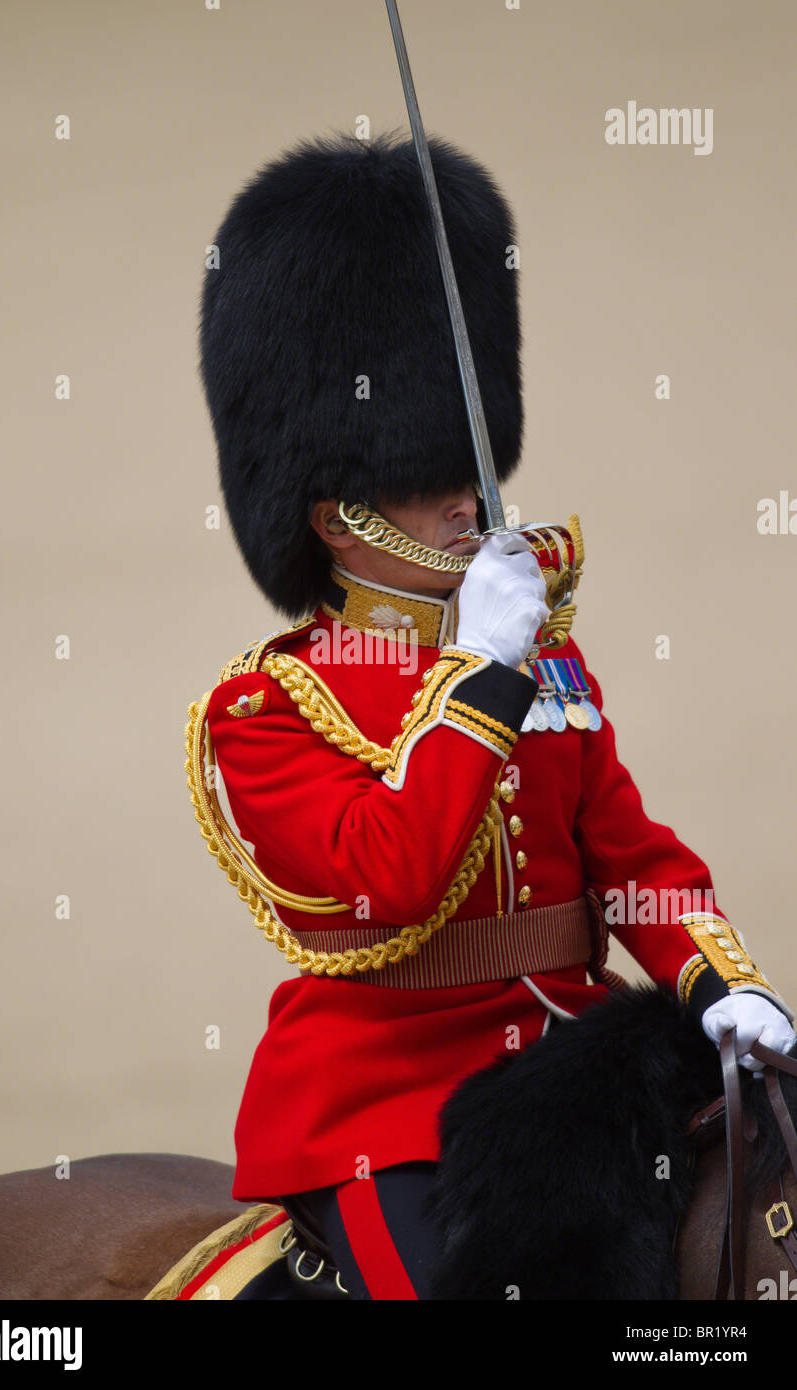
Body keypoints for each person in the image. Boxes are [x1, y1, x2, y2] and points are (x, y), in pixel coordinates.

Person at [193, 132, 795, 1300]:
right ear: (336, 514)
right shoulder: (264, 706)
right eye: (433, 477)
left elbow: (628, 861)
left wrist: (723, 986)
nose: (471, 494)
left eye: (472, 460)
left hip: (578, 1074)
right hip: (386, 1107)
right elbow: (389, 879)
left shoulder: (546, 666)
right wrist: (478, 669)